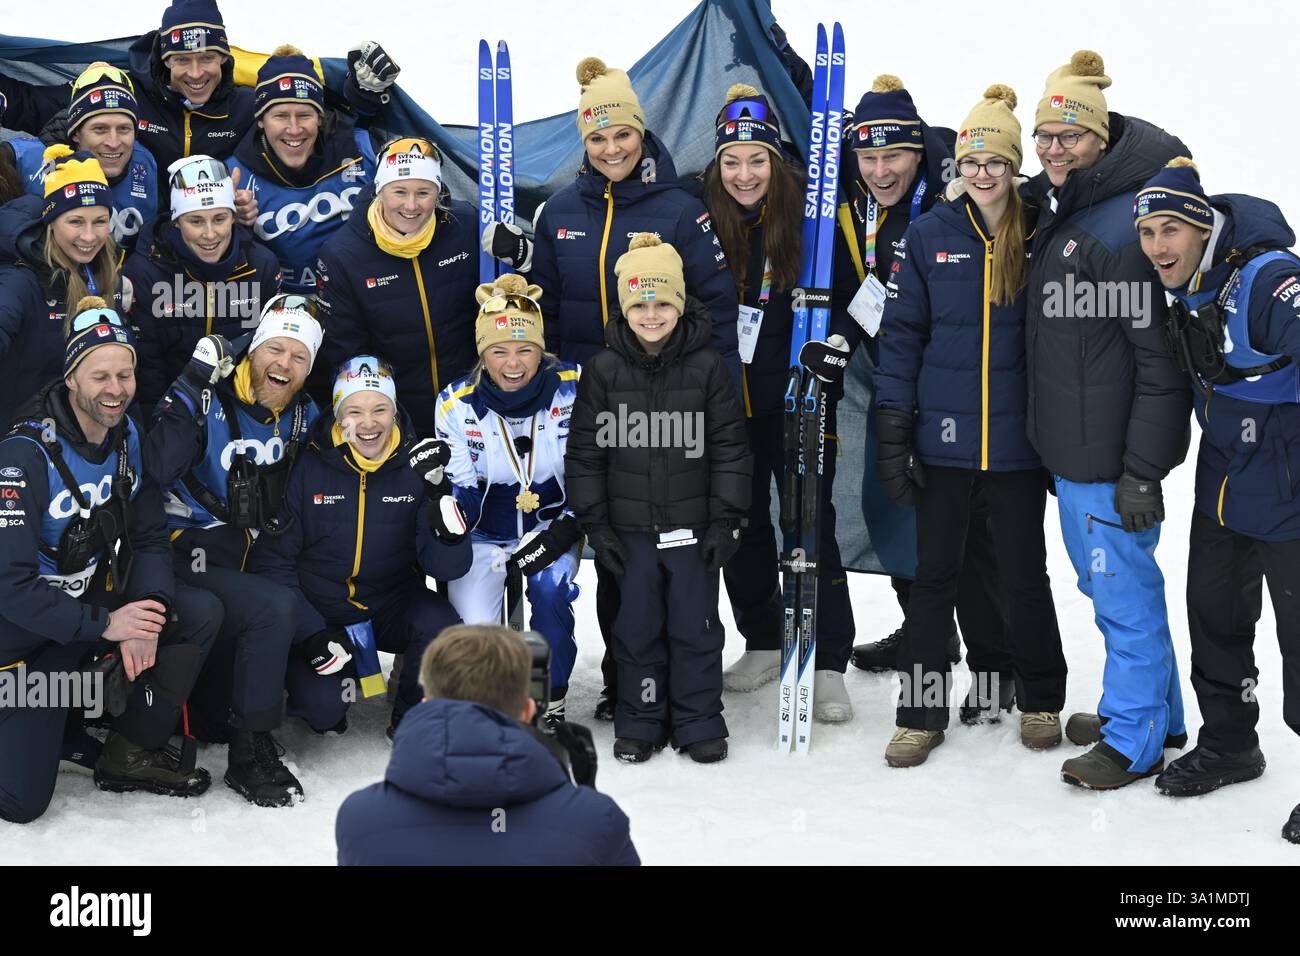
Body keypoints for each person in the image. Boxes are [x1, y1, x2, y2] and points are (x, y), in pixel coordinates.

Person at [486, 56, 740, 720]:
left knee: (672, 554)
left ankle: (680, 692)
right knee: (612, 545)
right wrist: (520, 266)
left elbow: (715, 307)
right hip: (590, 407)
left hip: (669, 407)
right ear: (585, 141)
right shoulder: (562, 210)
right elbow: (545, 305)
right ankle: (630, 682)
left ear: (641, 131)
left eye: (621, 135)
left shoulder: (682, 209)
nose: (610, 149)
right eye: (597, 138)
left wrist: (702, 397)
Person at [874, 85, 1067, 767]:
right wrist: (895, 431)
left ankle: (1040, 695)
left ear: (1015, 166)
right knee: (935, 581)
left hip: (1017, 448)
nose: (983, 173)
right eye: (972, 160)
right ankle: (919, 714)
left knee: (1022, 576)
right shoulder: (932, 233)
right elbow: (901, 339)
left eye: (997, 161)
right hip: (945, 449)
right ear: (957, 165)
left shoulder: (1043, 227)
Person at [1021, 51, 1193, 790]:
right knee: (1121, 590)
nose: (1055, 149)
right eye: (1045, 136)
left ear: (1101, 139)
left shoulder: (1119, 234)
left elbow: (1160, 368)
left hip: (1109, 465)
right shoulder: (1076, 210)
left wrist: (1139, 471)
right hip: (1082, 455)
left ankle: (1134, 741)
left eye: (1070, 136)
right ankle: (1161, 711)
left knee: (1121, 598)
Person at [0, 298, 219, 823]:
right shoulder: (22, 456)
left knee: (197, 612)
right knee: (23, 803)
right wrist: (105, 624)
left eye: (125, 373)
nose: (115, 388)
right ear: (72, 378)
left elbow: (147, 537)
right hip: (19, 634)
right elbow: (8, 586)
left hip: (78, 618)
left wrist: (143, 613)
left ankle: (121, 743)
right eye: (100, 375)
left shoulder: (127, 436)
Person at [1133, 158, 1300, 843]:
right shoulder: (1188, 284)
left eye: (1171, 229)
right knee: (1214, 618)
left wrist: (1234, 381)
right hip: (1225, 488)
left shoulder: (1269, 277)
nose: (1158, 247)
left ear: (1203, 228)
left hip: (1291, 493)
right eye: (1147, 233)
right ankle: (1231, 741)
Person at [698, 84, 857, 719]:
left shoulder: (811, 213)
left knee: (810, 522)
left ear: (776, 161)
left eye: (757, 160)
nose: (744, 174)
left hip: (796, 397)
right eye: (732, 161)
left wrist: (836, 347)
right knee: (741, 526)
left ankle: (828, 659)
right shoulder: (696, 211)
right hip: (724, 404)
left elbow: (850, 297)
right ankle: (764, 639)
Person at [840, 74, 1007, 679]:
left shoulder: (956, 198)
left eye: (895, 156)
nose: (881, 171)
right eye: (869, 157)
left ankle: (998, 665)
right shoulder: (853, 199)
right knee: (901, 511)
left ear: (919, 152)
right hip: (893, 381)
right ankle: (927, 634)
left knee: (971, 536)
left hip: (962, 394)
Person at [566, 234, 750, 763]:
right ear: (625, 309)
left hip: (693, 526)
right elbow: (585, 453)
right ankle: (642, 717)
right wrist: (595, 525)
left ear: (680, 303)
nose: (652, 315)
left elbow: (730, 447)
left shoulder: (708, 367)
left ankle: (697, 720)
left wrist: (728, 518)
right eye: (640, 305)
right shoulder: (603, 369)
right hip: (628, 530)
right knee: (637, 627)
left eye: (662, 303)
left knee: (696, 626)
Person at [143, 297, 321, 806]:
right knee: (271, 606)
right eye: (275, 349)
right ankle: (251, 755)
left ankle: (235, 721)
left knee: (213, 711)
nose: (283, 365)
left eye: (299, 357)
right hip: (180, 552)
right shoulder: (208, 396)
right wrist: (192, 379)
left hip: (243, 562)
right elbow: (154, 468)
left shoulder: (304, 414)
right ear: (252, 350)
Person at [251, 356, 471, 739]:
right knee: (324, 711)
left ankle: (412, 717)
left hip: (388, 601)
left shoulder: (417, 466)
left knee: (444, 629)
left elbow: (446, 569)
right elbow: (275, 562)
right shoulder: (309, 464)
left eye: (380, 409)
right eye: (354, 411)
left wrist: (449, 534)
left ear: (394, 412)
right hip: (322, 609)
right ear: (338, 415)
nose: (368, 424)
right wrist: (312, 633)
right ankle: (305, 676)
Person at [336, 624, 640, 866]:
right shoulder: (597, 821)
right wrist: (581, 798)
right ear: (528, 710)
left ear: (427, 701)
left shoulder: (360, 818)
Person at [435, 274, 583, 722]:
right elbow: (462, 487)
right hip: (485, 531)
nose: (513, 363)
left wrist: (565, 530)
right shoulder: (456, 402)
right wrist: (450, 517)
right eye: (499, 351)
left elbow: (592, 471)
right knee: (476, 626)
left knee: (550, 589)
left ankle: (547, 694)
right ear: (483, 354)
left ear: (542, 350)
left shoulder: (573, 387)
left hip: (550, 524)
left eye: (525, 349)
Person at [316, 137, 479, 438]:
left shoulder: (465, 224)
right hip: (396, 419)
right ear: (380, 190)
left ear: (439, 191)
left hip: (470, 408)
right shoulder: (343, 254)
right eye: (399, 192)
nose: (411, 205)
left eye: (424, 192)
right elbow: (345, 352)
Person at [228, 44, 392, 295]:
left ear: (320, 117)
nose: (294, 129)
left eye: (304, 115)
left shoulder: (362, 149)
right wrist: (232, 223)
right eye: (280, 116)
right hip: (282, 303)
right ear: (260, 120)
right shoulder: (236, 174)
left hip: (364, 292)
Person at [124, 154, 281, 409]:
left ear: (234, 216)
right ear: (176, 222)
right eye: (195, 221)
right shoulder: (145, 272)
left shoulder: (260, 266)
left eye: (219, 218)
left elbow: (264, 357)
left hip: (239, 408)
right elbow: (147, 368)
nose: (209, 234)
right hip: (171, 409)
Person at [0, 147, 121, 428]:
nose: (89, 236)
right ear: (51, 223)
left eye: (100, 221)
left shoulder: (106, 276)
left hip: (73, 442)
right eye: (75, 222)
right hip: (16, 445)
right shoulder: (20, 280)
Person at [2, 64, 159, 252]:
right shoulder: (22, 159)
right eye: (99, 129)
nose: (113, 142)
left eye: (124, 129)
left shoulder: (145, 165)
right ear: (76, 133)